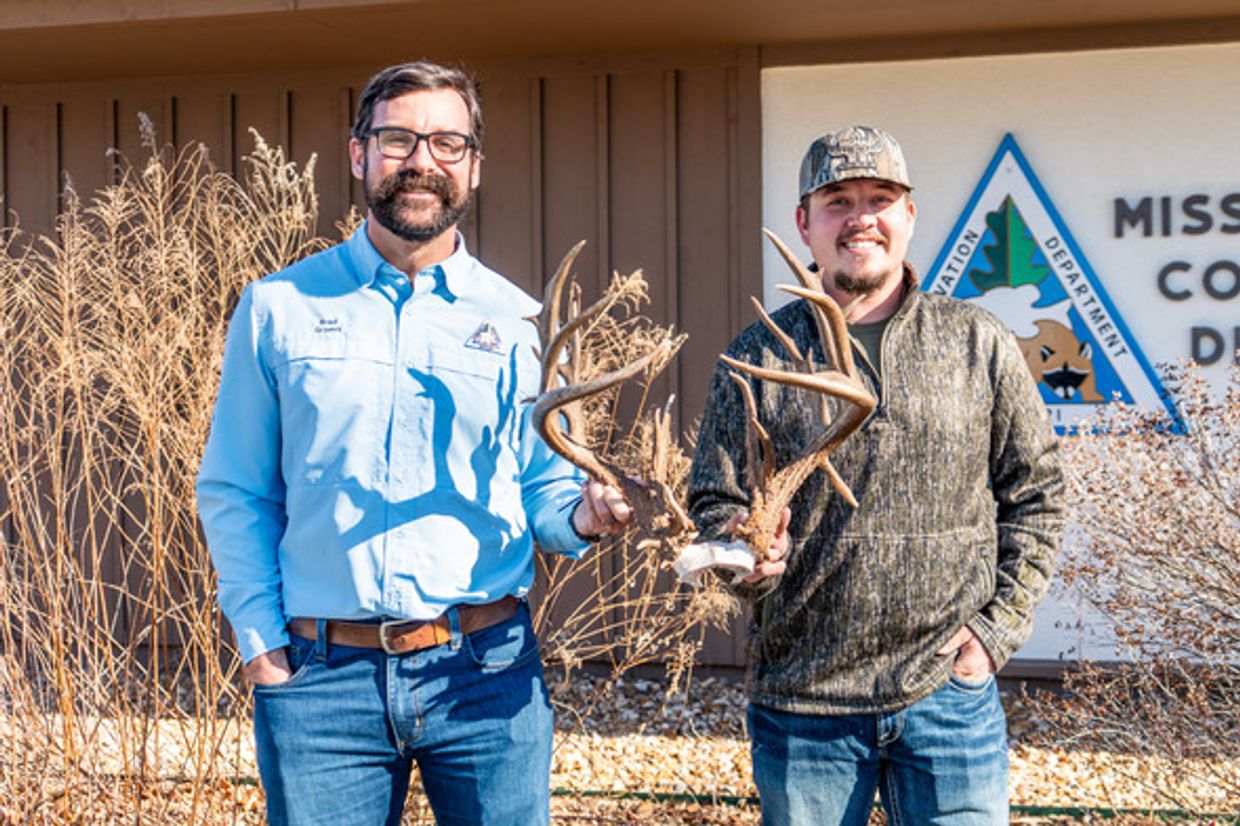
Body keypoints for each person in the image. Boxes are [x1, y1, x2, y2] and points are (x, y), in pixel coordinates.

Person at [196, 60, 629, 826]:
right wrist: (262, 647)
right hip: (323, 682)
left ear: (474, 166)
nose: (422, 161)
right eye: (398, 140)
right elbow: (236, 489)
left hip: (485, 672)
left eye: (447, 143)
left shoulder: (518, 322)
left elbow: (539, 489)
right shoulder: (278, 309)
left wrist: (584, 517)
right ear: (359, 153)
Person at [687, 125, 1064, 825]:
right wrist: (745, 552)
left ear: (909, 217)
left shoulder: (975, 340)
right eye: (837, 200)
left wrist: (995, 633)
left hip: (946, 695)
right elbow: (714, 497)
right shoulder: (757, 353)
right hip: (805, 705)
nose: (861, 217)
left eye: (880, 198)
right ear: (805, 223)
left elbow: (1036, 495)